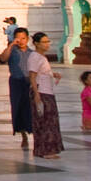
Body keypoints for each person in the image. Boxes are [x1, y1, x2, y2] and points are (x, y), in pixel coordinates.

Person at [27, 31, 63, 159]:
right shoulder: (34, 57)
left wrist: (53, 74)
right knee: (45, 121)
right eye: (44, 42)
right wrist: (36, 95)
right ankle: (46, 150)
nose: (47, 44)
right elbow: (32, 76)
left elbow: (43, 72)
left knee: (50, 120)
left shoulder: (42, 57)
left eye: (48, 41)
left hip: (47, 91)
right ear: (36, 43)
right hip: (41, 91)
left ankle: (46, 149)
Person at [0, 26, 33, 149]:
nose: (21, 41)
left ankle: (33, 131)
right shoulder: (11, 51)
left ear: (27, 39)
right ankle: (23, 135)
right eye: (18, 38)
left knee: (31, 109)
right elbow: (2, 59)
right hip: (16, 82)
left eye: (23, 38)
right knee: (18, 108)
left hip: (30, 83)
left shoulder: (32, 53)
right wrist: (11, 45)